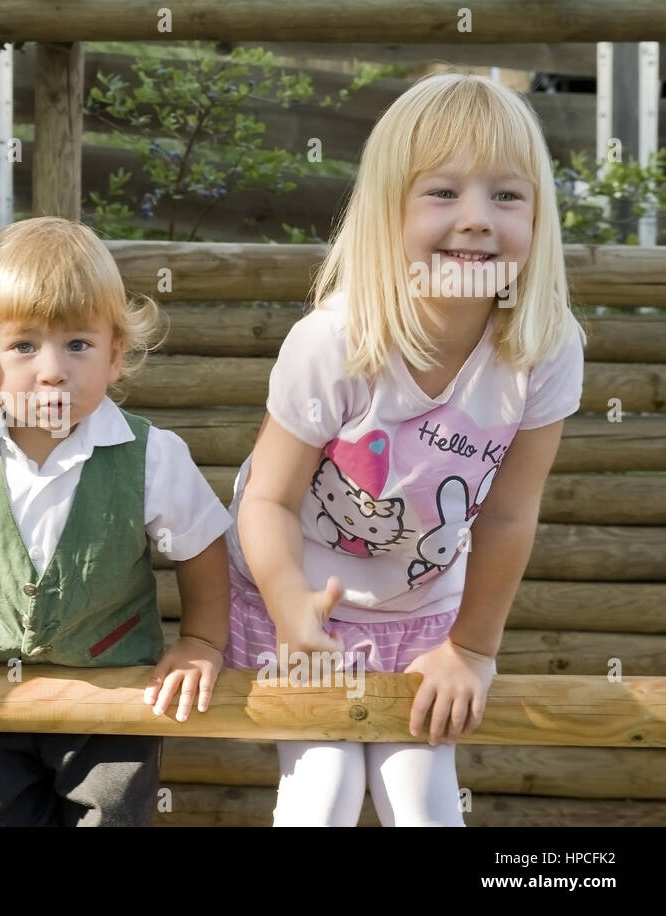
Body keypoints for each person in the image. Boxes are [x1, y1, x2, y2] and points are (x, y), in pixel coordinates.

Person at [225, 72, 585, 826]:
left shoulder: (544, 349)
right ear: (389, 211)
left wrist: (472, 651)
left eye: (507, 196)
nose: (478, 220)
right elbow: (269, 498)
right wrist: (292, 607)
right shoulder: (336, 342)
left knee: (422, 805)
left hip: (423, 615)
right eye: (444, 193)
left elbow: (510, 517)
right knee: (322, 789)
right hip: (296, 603)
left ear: (539, 216)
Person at [0, 217, 231, 826]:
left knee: (112, 816)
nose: (52, 369)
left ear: (116, 356)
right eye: (24, 345)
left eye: (78, 344)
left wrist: (201, 642)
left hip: (111, 692)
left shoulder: (150, 453)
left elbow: (202, 545)